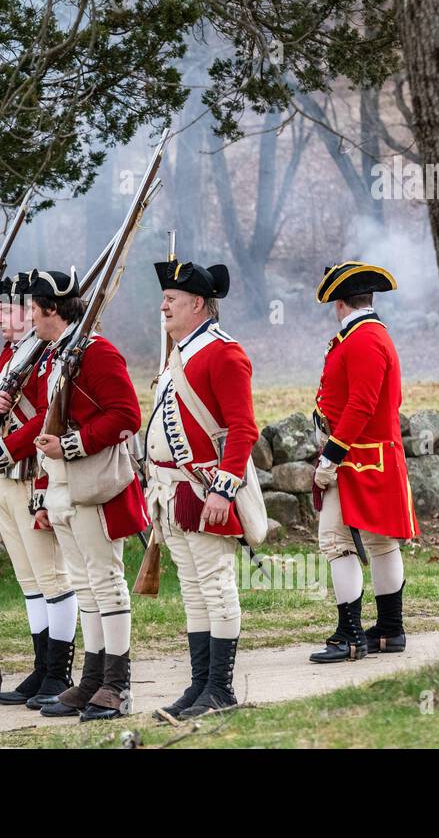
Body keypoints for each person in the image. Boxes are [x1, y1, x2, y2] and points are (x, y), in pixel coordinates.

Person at [28, 269, 149, 722]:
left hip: (96, 484)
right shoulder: (56, 355)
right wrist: (43, 491)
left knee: (106, 582)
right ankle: (94, 679)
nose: (29, 318)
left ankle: (118, 686)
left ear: (52, 309)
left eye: (34, 309)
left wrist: (73, 445)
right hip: (64, 488)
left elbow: (126, 415)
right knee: (85, 586)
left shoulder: (96, 353)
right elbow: (48, 426)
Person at [144, 258, 256, 720]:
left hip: (204, 489)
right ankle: (198, 687)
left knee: (216, 586)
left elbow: (242, 430)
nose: (164, 306)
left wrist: (223, 491)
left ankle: (220, 689)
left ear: (197, 303)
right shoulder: (177, 355)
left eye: (171, 300)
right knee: (192, 590)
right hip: (172, 492)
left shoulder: (224, 352)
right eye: (164, 299)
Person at [0, 275, 75, 708]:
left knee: (52, 577)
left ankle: (59, 671)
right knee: (30, 581)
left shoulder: (46, 353)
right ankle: (41, 667)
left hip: (29, 473)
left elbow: (46, 416)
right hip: (6, 478)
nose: (3, 319)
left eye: (10, 310)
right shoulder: (12, 355)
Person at [310, 261, 420, 663]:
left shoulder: (363, 339)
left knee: (338, 543)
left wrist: (330, 457)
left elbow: (361, 405)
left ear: (339, 302)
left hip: (355, 459)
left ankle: (351, 635)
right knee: (380, 542)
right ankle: (389, 631)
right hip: (367, 457)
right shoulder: (368, 335)